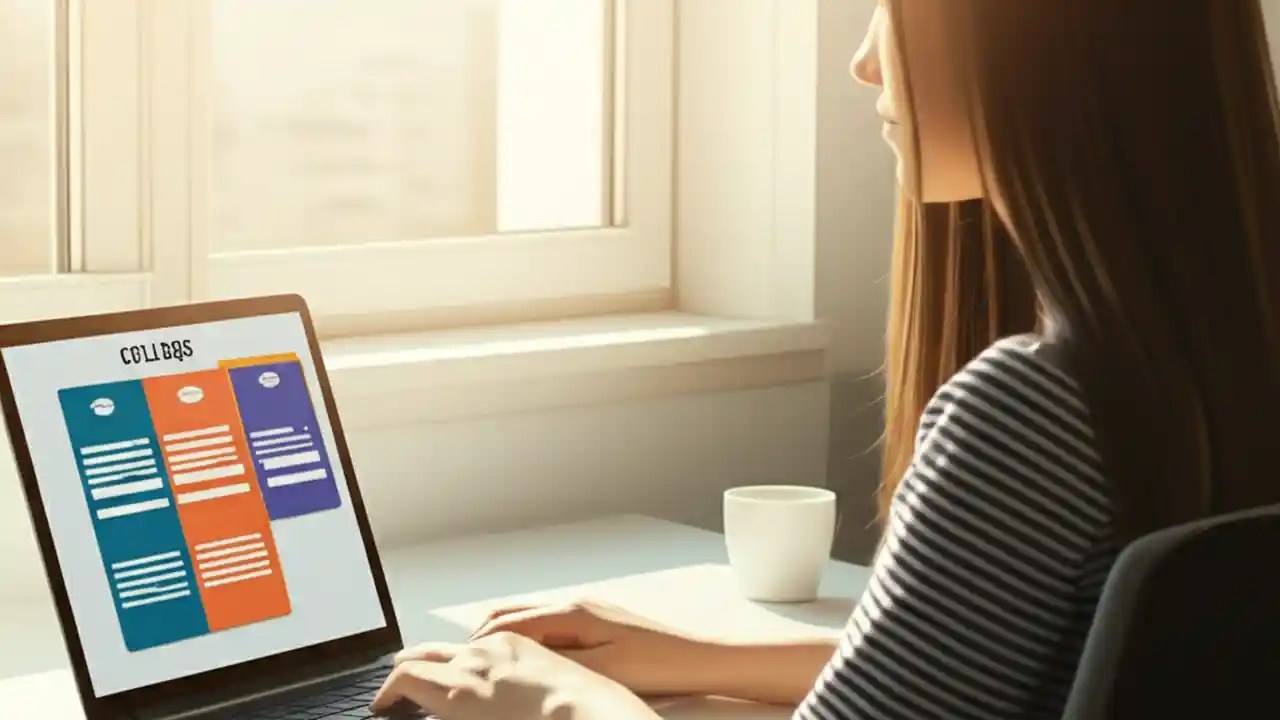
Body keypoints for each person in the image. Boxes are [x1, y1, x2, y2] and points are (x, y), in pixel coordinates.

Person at [372, 0, 1280, 717]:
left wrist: (561, 701)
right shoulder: (1214, 373)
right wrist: (697, 657)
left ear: (1029, 45)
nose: (865, 62)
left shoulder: (1037, 413)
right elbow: (1015, 668)